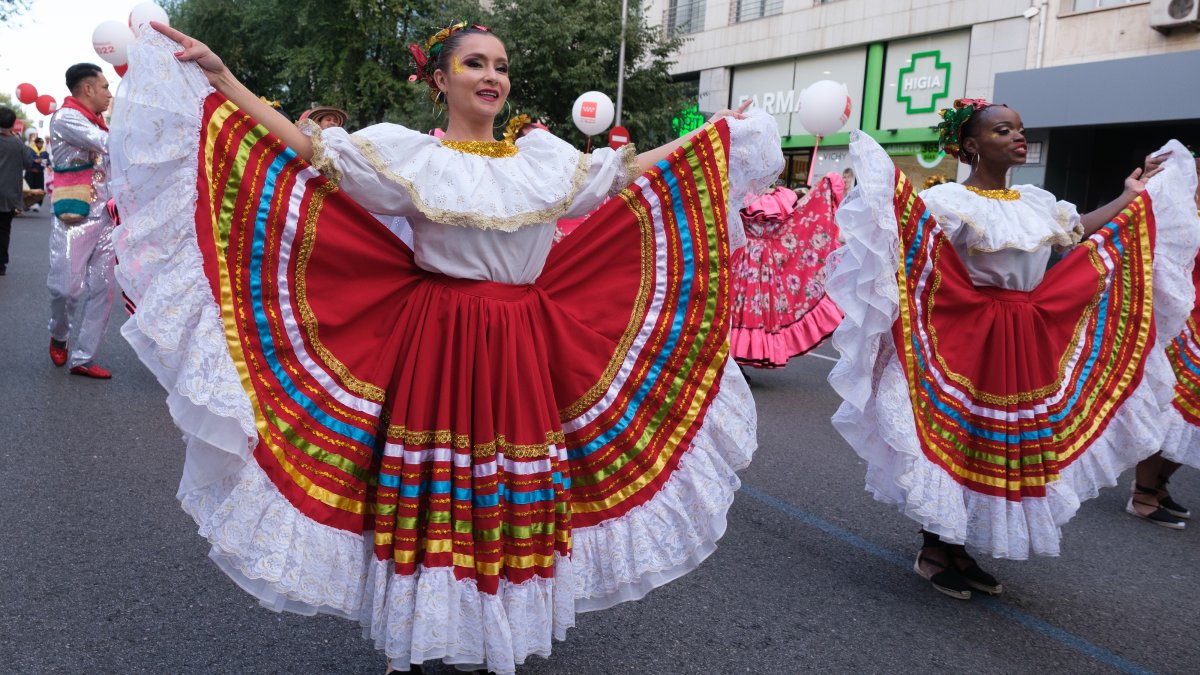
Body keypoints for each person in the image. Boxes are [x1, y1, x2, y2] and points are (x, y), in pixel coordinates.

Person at [110, 21, 781, 674]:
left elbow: (627, 171)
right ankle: (434, 627)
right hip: (439, 339)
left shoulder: (545, 160)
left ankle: (498, 631)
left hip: (522, 341)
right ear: (439, 79)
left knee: (509, 486)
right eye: (475, 64)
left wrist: (718, 134)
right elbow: (304, 152)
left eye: (500, 66)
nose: (493, 77)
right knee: (441, 484)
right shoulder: (410, 157)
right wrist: (224, 77)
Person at [825, 98, 1199, 600]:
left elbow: (1079, 231)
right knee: (961, 436)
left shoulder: (1035, 200)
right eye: (1003, 131)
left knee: (1000, 442)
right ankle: (934, 548)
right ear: (972, 146)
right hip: (969, 336)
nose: (1018, 137)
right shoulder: (949, 202)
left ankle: (959, 549)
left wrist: (1131, 197)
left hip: (1027, 333)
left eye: (1020, 129)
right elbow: (917, 258)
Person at [1136, 156, 1200, 529]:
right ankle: (1143, 490)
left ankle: (1159, 484)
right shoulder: (1182, 214)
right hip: (1188, 321)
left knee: (1193, 419)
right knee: (1172, 411)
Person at [46, 63, 117, 379]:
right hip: (74, 217)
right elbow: (109, 146)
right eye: (104, 87)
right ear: (87, 89)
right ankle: (59, 334)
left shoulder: (102, 122)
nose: (109, 93)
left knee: (104, 287)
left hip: (106, 217)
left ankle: (84, 357)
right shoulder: (67, 118)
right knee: (66, 290)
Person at [730, 175, 844, 368]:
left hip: (758, 263)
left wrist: (825, 188)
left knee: (753, 312)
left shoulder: (779, 197)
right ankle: (732, 362)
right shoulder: (741, 195)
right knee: (741, 311)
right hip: (748, 262)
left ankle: (737, 362)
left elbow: (800, 221)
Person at [0, 107, 33, 276]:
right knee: (4, 229)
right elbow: (28, 163)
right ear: (13, 124)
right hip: (9, 194)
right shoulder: (17, 143)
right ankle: (1, 264)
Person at [25, 137, 49, 211]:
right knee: (28, 189)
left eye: (41, 143)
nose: (40, 144)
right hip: (30, 172)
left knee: (39, 189)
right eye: (39, 143)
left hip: (39, 172)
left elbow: (46, 162)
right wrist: (34, 161)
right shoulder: (30, 150)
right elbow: (26, 159)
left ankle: (37, 204)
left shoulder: (45, 152)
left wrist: (43, 162)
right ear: (35, 143)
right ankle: (27, 204)